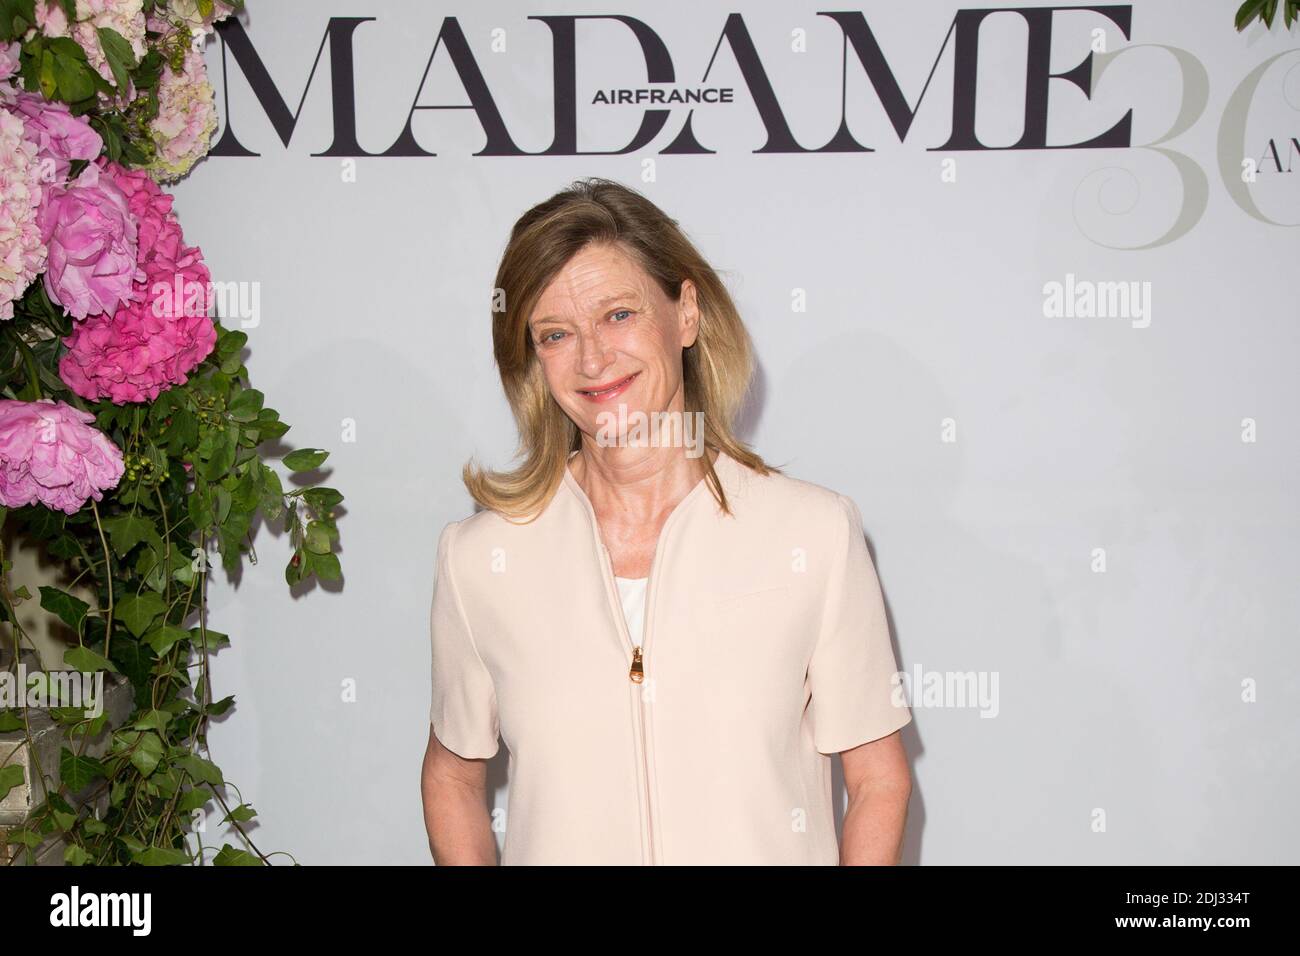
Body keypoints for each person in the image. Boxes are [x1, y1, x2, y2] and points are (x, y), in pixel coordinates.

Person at [420, 177, 912, 865]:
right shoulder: (480, 559)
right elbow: (451, 775)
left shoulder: (815, 534)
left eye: (619, 314)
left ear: (685, 313)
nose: (593, 358)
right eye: (556, 333)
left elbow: (878, 778)